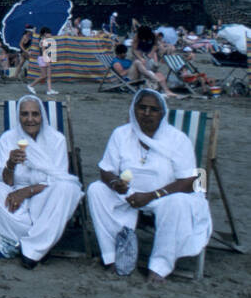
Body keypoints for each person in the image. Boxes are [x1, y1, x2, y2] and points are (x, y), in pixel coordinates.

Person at [87, 89, 211, 283]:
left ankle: (159, 267)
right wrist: (114, 183)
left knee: (178, 203)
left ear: (162, 113)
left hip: (164, 196)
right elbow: (106, 169)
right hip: (128, 194)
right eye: (142, 107)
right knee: (96, 190)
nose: (146, 113)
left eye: (153, 109)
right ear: (133, 109)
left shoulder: (177, 139)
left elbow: (189, 181)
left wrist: (152, 195)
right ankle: (115, 258)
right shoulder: (121, 134)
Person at [0, 95, 83, 267]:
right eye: (24, 114)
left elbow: (59, 178)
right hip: (15, 201)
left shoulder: (57, 140)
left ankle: (23, 245)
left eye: (35, 114)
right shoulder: (7, 138)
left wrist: (27, 191)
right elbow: (4, 183)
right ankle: (41, 242)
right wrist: (10, 164)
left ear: (42, 116)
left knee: (68, 189)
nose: (30, 119)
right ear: (18, 116)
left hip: (46, 196)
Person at [28, 27, 58, 96]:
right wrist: (47, 60)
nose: (50, 35)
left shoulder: (41, 39)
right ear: (45, 33)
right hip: (44, 58)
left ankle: (49, 90)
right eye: (49, 33)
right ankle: (31, 85)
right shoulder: (44, 40)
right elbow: (43, 51)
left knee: (46, 76)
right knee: (45, 76)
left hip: (42, 58)